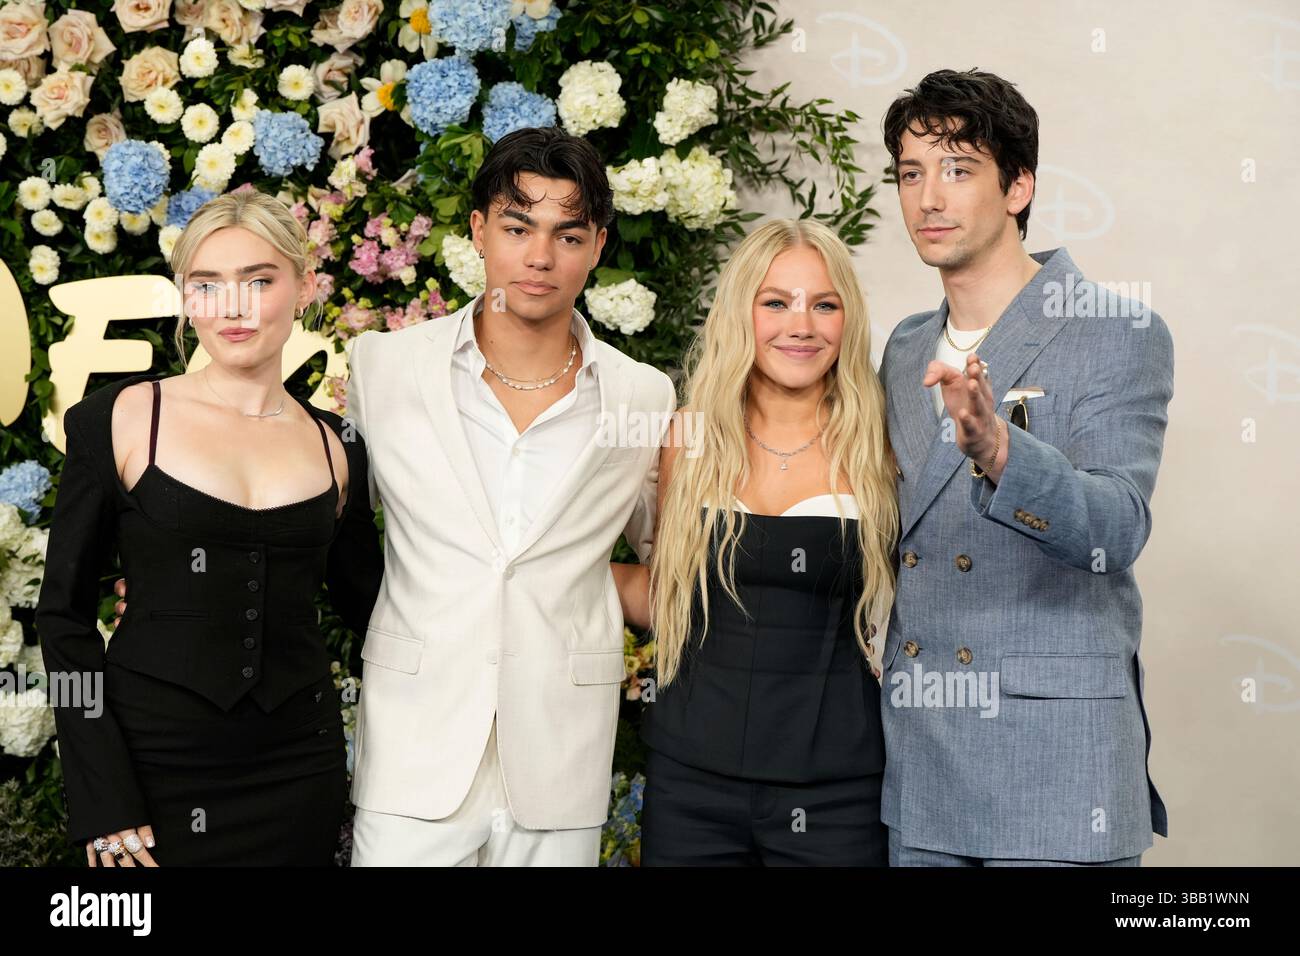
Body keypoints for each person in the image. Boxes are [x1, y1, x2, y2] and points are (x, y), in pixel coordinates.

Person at [344, 127, 676, 866]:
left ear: (596, 247)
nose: (540, 256)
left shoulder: (642, 395)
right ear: (478, 232)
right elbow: (327, 532)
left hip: (561, 760)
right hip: (412, 755)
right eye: (518, 226)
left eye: (568, 234)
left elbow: (672, 571)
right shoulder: (384, 367)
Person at [35, 190, 384, 866]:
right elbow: (63, 618)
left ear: (304, 286)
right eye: (207, 284)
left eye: (258, 280)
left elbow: (375, 610)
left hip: (297, 771)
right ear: (185, 297)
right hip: (151, 768)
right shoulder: (119, 418)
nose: (233, 307)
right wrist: (104, 797)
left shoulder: (340, 444)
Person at [877, 68, 1172, 866]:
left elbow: (1116, 527)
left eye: (958, 169)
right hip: (923, 765)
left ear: (1019, 187)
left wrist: (1001, 453)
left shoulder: (1116, 329)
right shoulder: (904, 346)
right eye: (911, 173)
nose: (929, 197)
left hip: (1057, 765)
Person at [613, 218, 899, 865]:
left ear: (846, 320)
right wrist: (556, 573)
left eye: (824, 305)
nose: (801, 325)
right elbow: (669, 597)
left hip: (837, 793)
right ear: (741, 312)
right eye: (776, 302)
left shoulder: (882, 446)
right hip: (689, 781)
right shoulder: (688, 438)